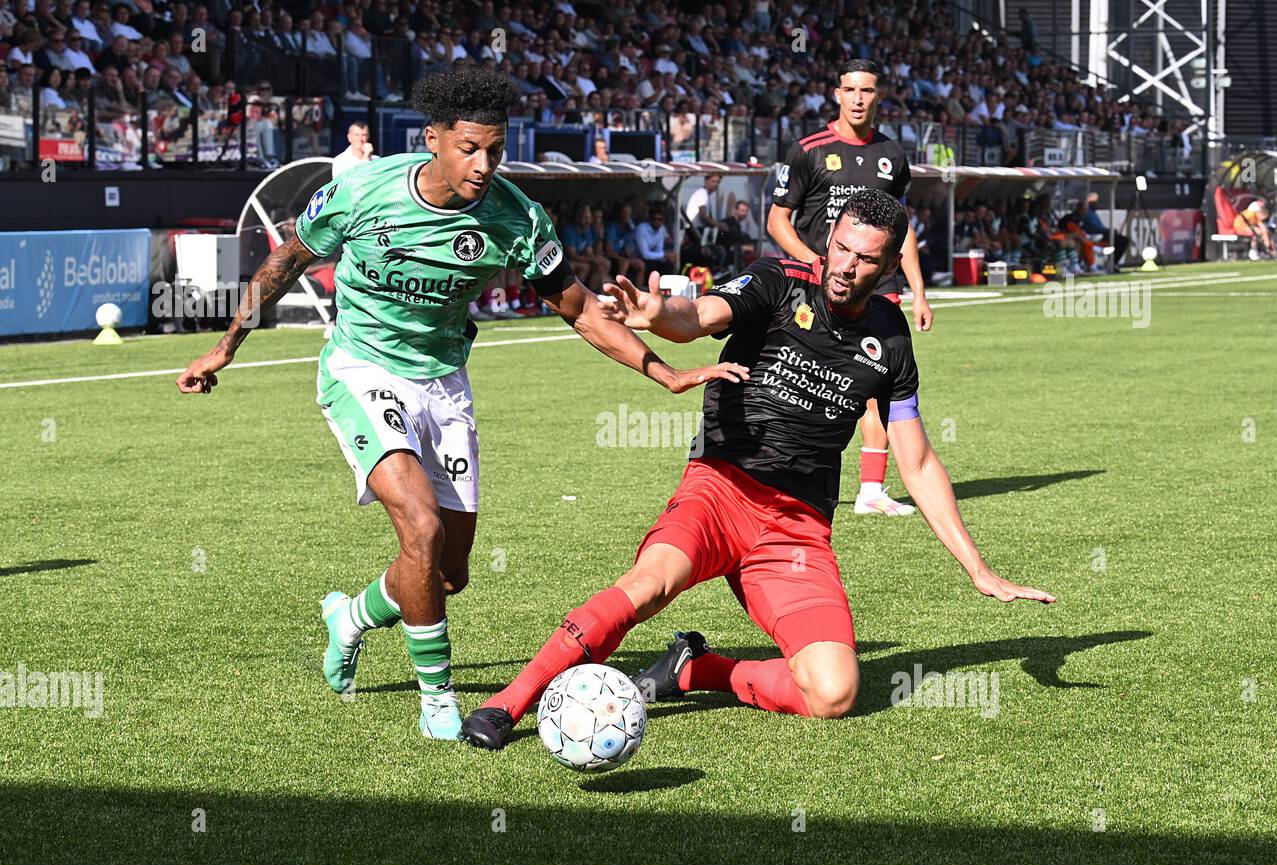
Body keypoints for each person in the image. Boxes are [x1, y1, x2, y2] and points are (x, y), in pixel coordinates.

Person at [175, 70, 741, 741]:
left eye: (495, 150)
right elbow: (285, 261)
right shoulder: (364, 188)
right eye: (469, 148)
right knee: (420, 526)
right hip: (361, 367)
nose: (483, 164)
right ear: (433, 139)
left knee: (446, 574)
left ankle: (351, 617)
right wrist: (226, 346)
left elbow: (581, 310)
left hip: (444, 382)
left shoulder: (514, 217)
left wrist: (664, 373)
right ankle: (437, 698)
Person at [458, 189, 1055, 749]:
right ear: (827, 239)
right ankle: (509, 703)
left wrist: (978, 569)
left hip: (797, 531)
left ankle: (695, 670)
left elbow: (918, 461)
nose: (845, 266)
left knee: (834, 691)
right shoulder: (779, 282)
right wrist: (656, 311)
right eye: (840, 247)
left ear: (890, 267)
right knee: (646, 587)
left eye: (865, 258)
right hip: (719, 490)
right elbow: (698, 318)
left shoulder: (891, 338)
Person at [767, 59, 933, 518]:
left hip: (881, 287)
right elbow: (777, 220)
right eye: (850, 90)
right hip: (824, 286)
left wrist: (918, 290)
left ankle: (871, 489)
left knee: (879, 382)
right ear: (836, 94)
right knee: (815, 379)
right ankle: (789, 473)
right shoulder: (807, 150)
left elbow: (903, 230)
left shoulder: (893, 156)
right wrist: (813, 262)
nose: (858, 99)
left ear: (879, 96)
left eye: (868, 91)